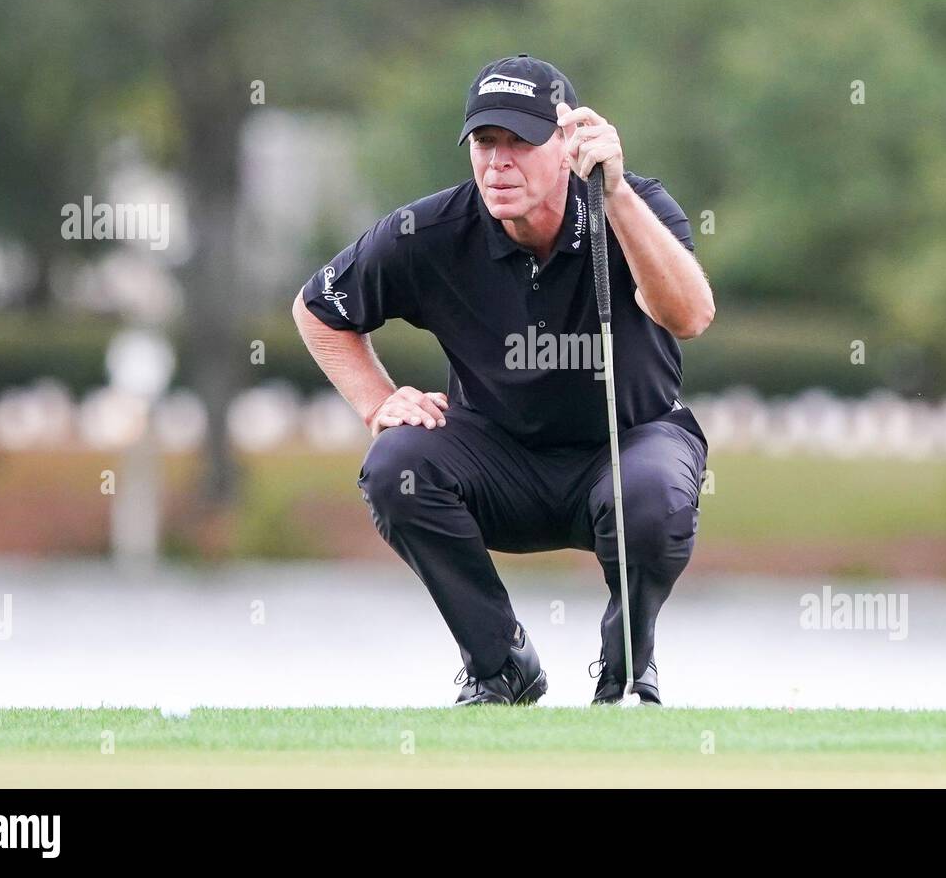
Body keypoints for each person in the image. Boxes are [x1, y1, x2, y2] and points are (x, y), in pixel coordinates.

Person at [292, 54, 714, 705]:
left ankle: (625, 671)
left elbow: (690, 316)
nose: (499, 162)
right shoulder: (430, 232)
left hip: (629, 445)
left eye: (521, 141)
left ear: (568, 144)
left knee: (654, 495)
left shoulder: (637, 207)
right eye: (486, 142)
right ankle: (500, 664)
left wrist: (617, 197)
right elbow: (319, 309)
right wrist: (378, 403)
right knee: (394, 465)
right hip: (499, 462)